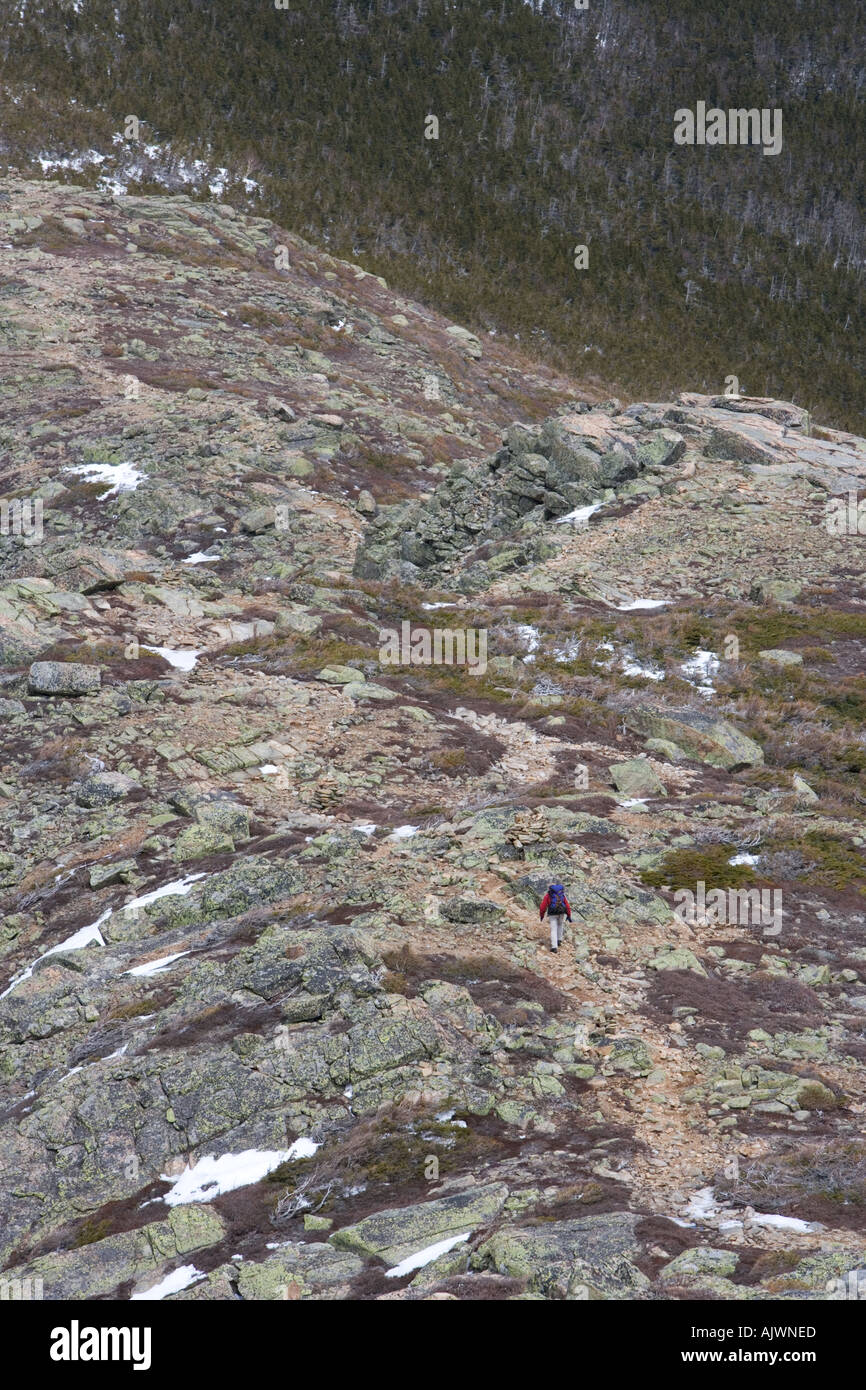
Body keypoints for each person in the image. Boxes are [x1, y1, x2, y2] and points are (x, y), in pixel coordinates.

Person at [539, 882, 572, 953]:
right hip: (561, 912)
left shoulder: (548, 895)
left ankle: (554, 947)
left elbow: (543, 906)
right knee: (560, 925)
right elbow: (567, 905)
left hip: (552, 913)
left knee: (553, 929)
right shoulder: (562, 894)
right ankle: (559, 940)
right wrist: (569, 915)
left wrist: (541, 915)